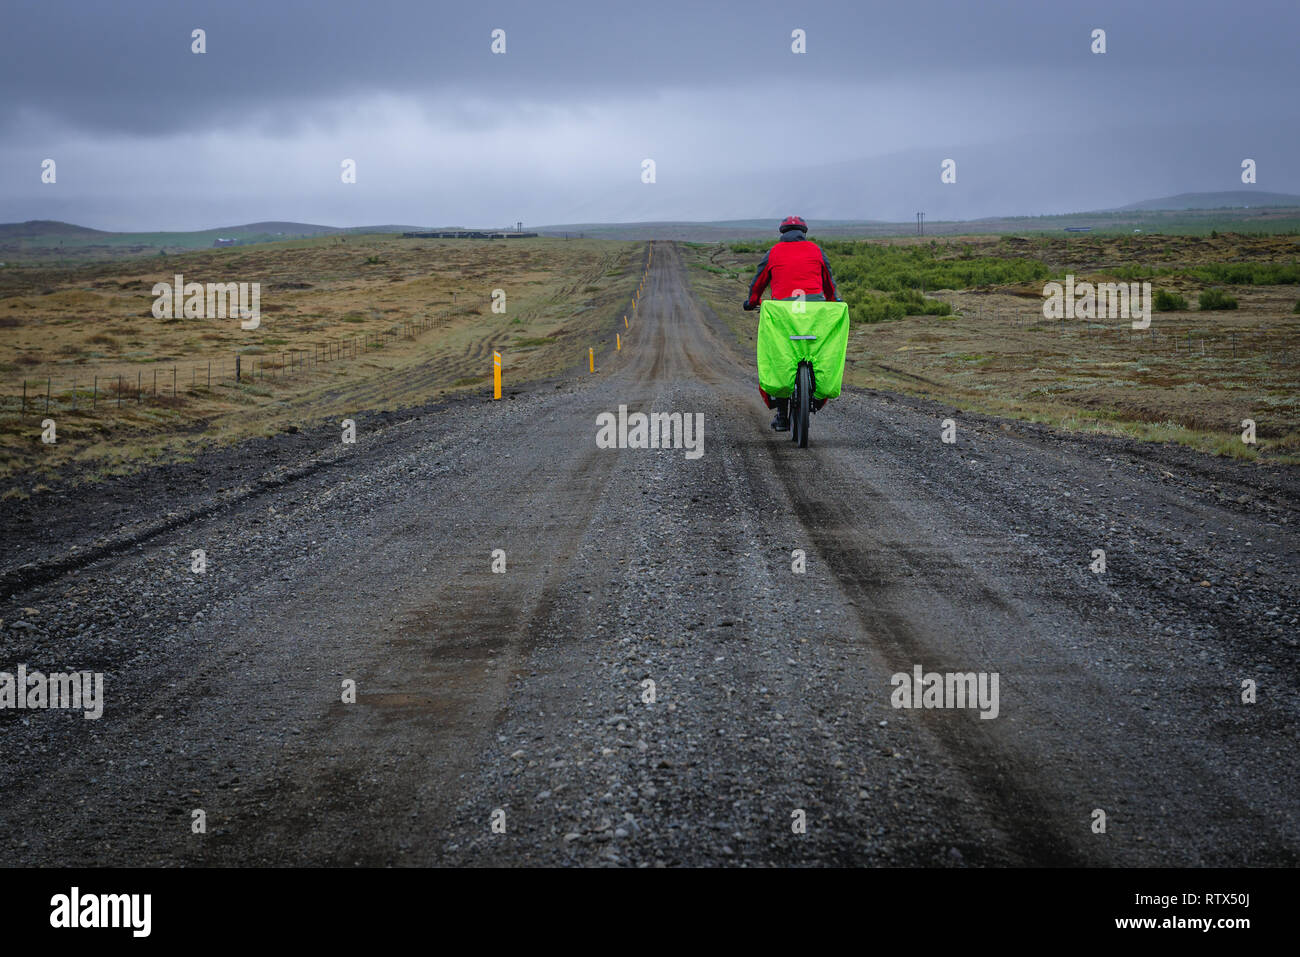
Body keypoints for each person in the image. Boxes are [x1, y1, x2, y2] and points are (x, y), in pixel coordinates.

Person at [742, 216, 839, 430]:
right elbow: (829, 282)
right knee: (817, 349)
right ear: (804, 232)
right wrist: (833, 301)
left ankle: (782, 414)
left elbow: (758, 282)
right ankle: (817, 390)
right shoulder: (816, 250)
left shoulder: (773, 252)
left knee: (778, 356)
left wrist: (751, 302)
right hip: (814, 309)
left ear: (782, 232)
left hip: (783, 311)